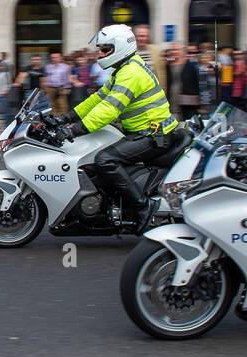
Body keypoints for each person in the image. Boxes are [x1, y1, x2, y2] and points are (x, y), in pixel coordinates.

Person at [46, 23, 176, 216]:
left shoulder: (131, 73)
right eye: (101, 50)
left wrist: (72, 130)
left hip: (153, 134)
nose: (101, 54)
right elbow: (98, 98)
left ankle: (143, 207)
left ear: (121, 47)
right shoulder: (124, 69)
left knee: (105, 160)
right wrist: (64, 118)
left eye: (106, 50)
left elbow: (109, 109)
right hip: (145, 132)